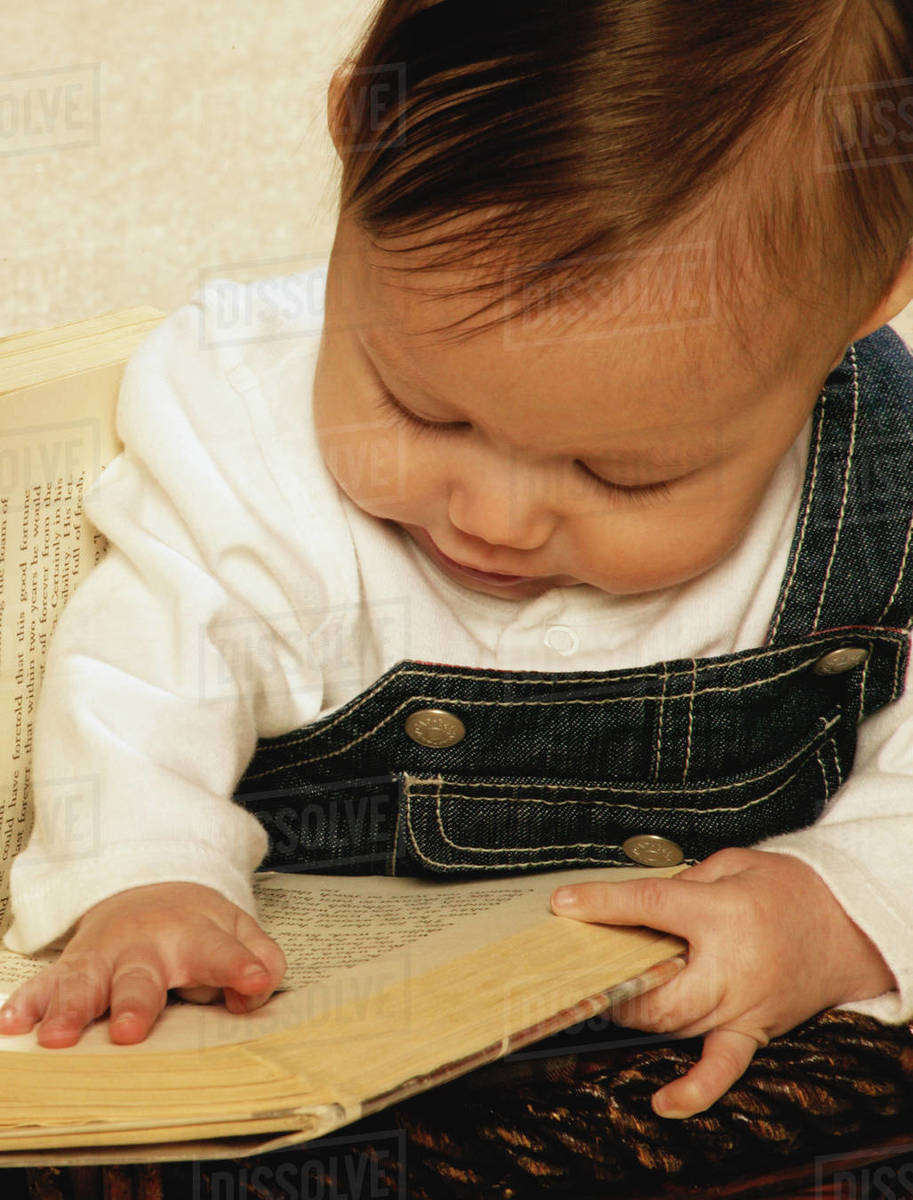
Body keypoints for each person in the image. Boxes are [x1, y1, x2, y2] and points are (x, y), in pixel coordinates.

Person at [3, 0, 913, 1172]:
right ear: (352, 141)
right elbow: (142, 670)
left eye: (621, 473)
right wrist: (146, 879)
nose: (493, 517)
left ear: (860, 308)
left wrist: (845, 906)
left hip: (726, 1065)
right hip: (356, 1098)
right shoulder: (246, 420)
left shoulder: (877, 466)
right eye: (422, 408)